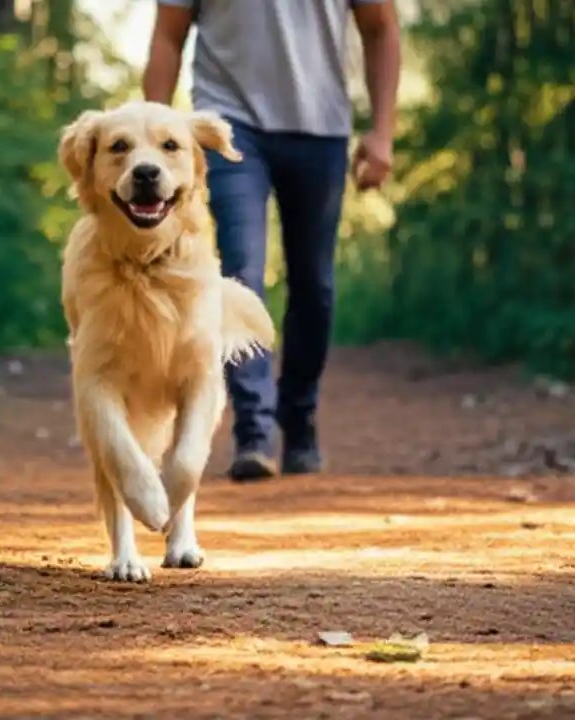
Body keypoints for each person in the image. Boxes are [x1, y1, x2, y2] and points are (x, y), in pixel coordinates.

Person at [143, 0, 402, 481]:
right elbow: (167, 36)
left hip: (321, 128)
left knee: (314, 286)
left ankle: (299, 419)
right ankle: (253, 429)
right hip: (230, 122)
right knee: (241, 272)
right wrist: (152, 140)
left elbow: (381, 27)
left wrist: (383, 131)